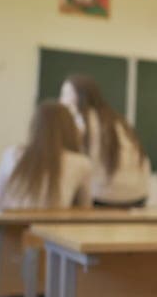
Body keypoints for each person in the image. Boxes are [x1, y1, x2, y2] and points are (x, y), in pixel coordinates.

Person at [60, 75, 151, 208]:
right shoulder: (117, 119)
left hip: (104, 198)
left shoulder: (80, 121)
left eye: (66, 94)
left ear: (80, 96)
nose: (61, 100)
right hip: (139, 196)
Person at [0, 101, 92, 210]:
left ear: (35, 126)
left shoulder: (11, 154)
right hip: (53, 226)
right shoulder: (81, 163)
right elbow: (85, 208)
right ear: (70, 128)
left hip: (11, 225)